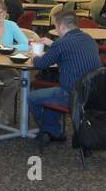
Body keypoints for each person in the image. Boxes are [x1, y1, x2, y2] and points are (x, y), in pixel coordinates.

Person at [28, 9, 101, 144]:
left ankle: (51, 129)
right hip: (94, 93)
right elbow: (71, 50)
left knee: (31, 97)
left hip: (72, 94)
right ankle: (53, 130)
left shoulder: (62, 43)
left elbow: (41, 64)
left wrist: (34, 57)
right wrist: (52, 44)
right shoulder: (89, 39)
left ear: (61, 26)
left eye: (56, 27)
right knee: (52, 95)